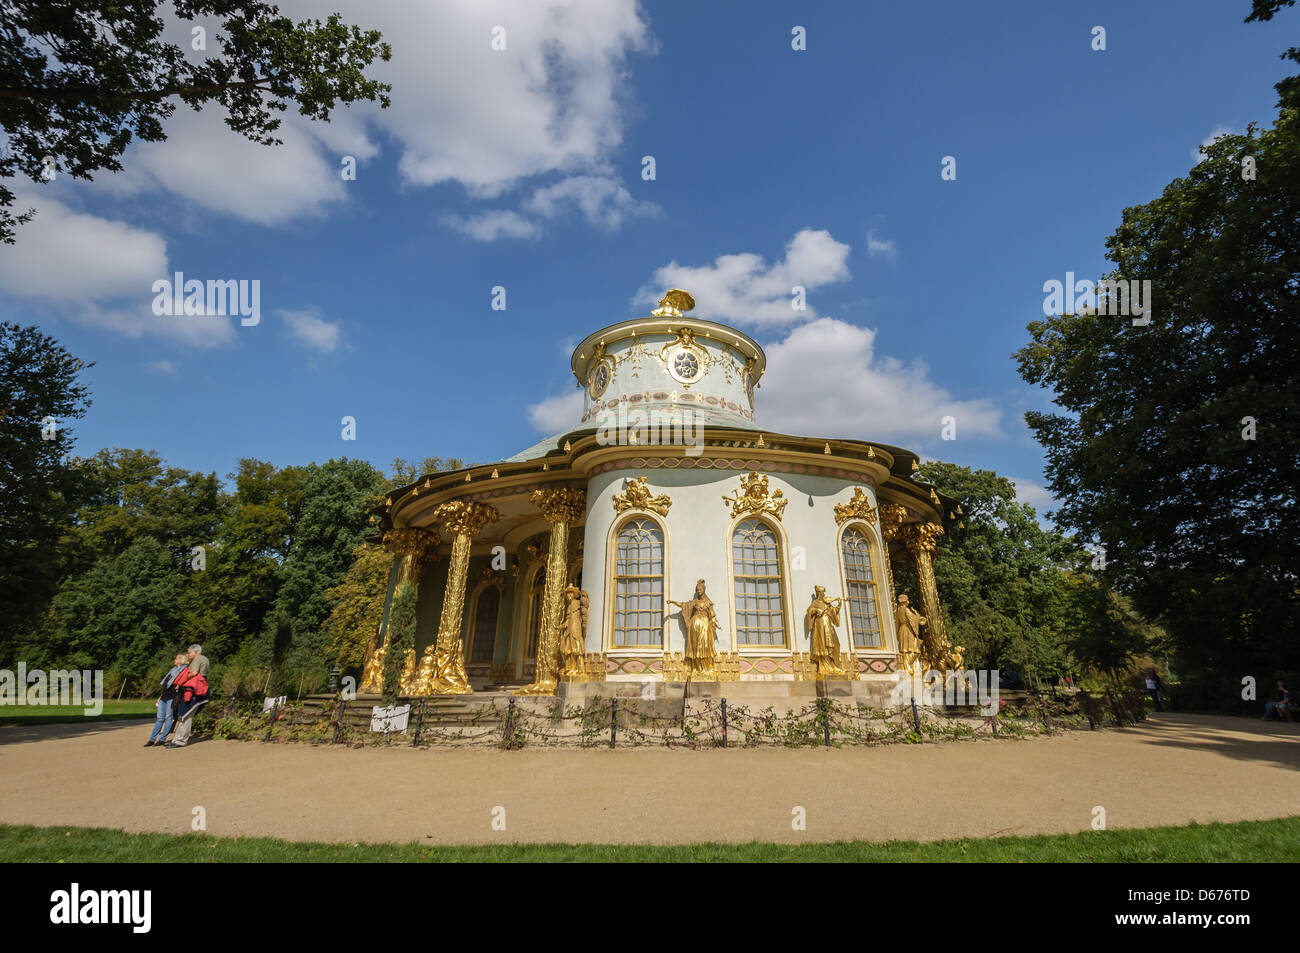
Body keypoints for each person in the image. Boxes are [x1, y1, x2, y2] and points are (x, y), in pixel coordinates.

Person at [164, 660, 210, 748]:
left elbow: (190, 689)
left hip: (193, 699)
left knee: (186, 718)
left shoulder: (191, 676)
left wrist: (187, 700)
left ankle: (180, 741)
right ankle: (176, 740)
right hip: (189, 698)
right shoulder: (186, 675)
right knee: (183, 719)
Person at [145, 654, 188, 747]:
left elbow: (182, 683)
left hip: (173, 697)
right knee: (160, 718)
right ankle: (152, 739)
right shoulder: (172, 670)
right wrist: (160, 697)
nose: (175, 659)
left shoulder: (184, 671)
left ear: (181, 660)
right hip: (164, 697)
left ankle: (162, 739)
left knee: (169, 718)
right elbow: (166, 687)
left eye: (176, 658)